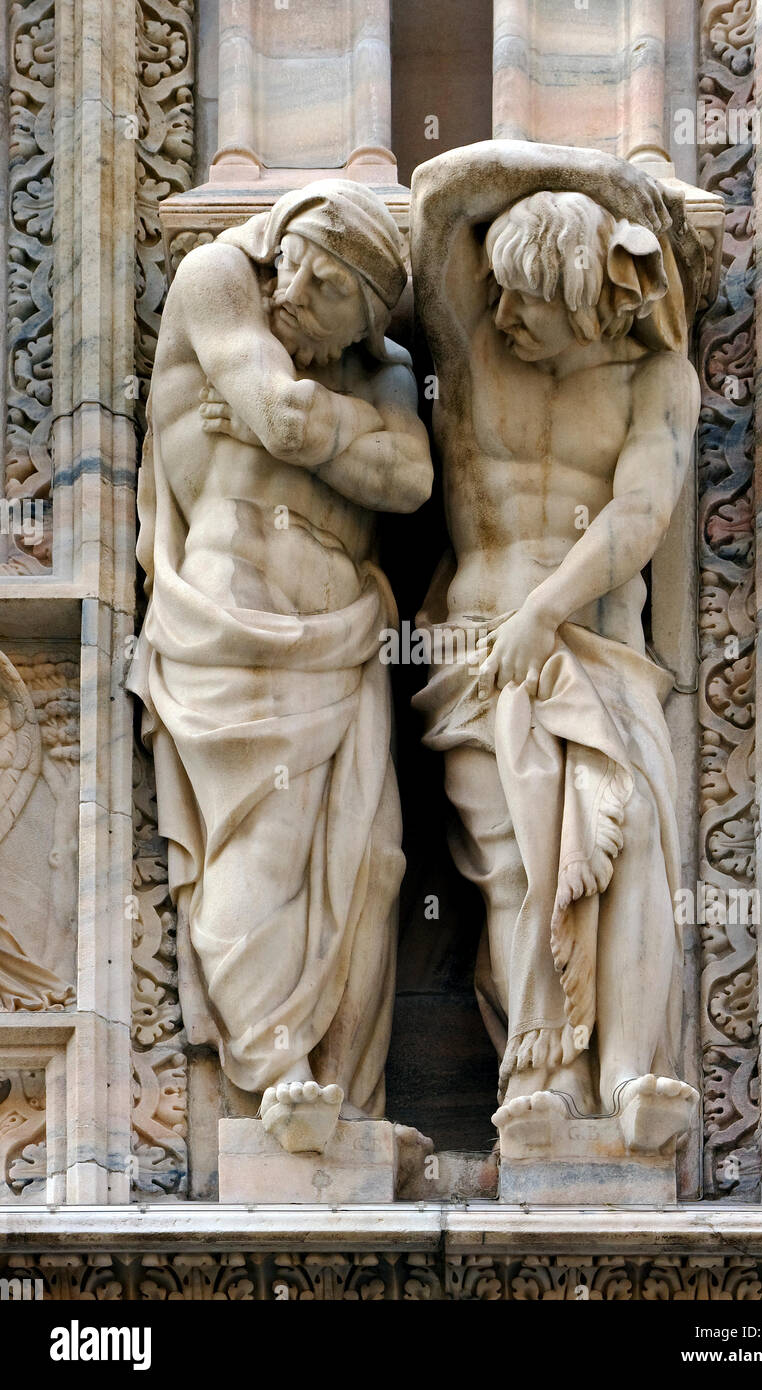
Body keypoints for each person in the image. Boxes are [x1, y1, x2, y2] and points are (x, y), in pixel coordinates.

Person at [128, 182, 432, 1154]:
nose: (294, 287)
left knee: (371, 860)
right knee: (259, 839)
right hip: (230, 619)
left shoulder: (379, 368)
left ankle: (342, 1101)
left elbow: (411, 477)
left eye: (330, 286)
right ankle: (273, 1075)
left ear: (369, 320)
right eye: (293, 256)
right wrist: (329, 432)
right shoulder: (219, 278)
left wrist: (313, 423)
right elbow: (275, 411)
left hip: (343, 634)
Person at [411, 142, 702, 1152]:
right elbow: (441, 200)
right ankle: (546, 1072)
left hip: (595, 649)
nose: (500, 316)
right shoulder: (467, 355)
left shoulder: (655, 378)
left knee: (625, 847)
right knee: (518, 870)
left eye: (521, 300)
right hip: (478, 658)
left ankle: (628, 1067)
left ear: (573, 290)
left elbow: (636, 515)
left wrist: (546, 609)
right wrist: (614, 188)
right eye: (492, 295)